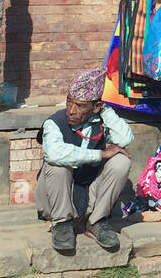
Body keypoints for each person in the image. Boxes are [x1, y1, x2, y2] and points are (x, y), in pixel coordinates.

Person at [36, 66, 134, 254]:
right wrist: (100, 154)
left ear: (95, 107)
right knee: (58, 165)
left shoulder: (100, 120)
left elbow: (125, 139)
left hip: (88, 196)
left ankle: (96, 221)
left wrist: (104, 111)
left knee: (122, 161)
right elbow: (55, 153)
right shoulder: (54, 123)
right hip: (55, 200)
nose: (71, 111)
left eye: (80, 106)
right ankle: (62, 225)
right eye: (69, 102)